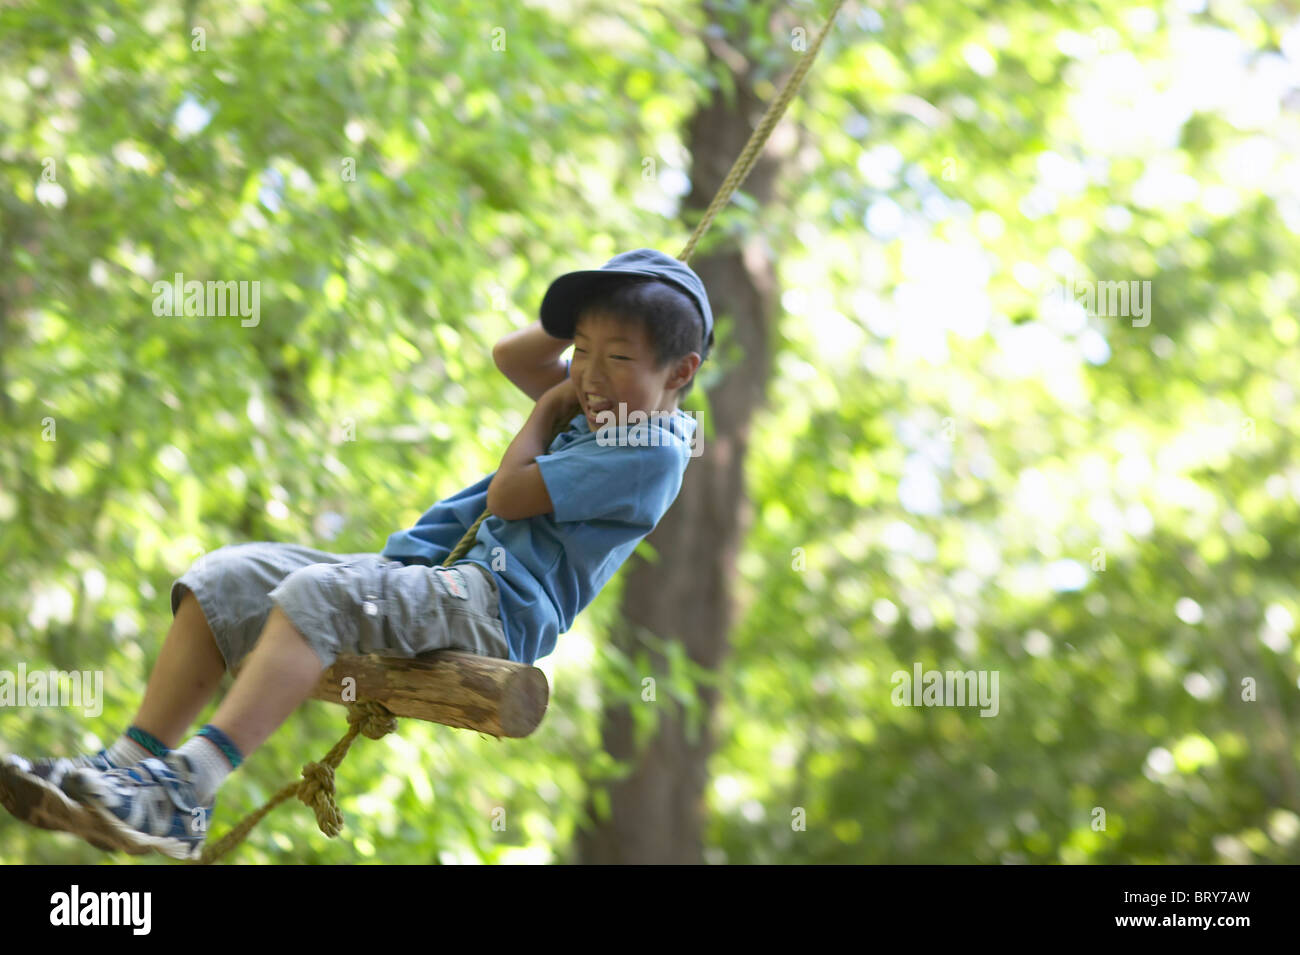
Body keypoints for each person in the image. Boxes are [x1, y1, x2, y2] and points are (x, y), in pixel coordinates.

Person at [0, 248, 714, 860]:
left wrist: (544, 409)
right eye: (581, 350)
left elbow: (509, 497)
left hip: (494, 607)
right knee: (225, 579)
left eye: (617, 357)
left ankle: (186, 790)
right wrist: (590, 319)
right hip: (429, 575)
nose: (587, 373)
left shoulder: (649, 448)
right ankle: (129, 772)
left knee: (321, 593)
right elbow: (512, 354)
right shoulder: (602, 401)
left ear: (679, 374)